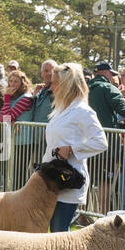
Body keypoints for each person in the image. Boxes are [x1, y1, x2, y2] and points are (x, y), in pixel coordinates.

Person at [41, 62, 106, 232]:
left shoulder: (83, 111)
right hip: (51, 178)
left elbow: (101, 142)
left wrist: (71, 149)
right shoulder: (61, 110)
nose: (51, 87)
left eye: (54, 83)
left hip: (68, 180)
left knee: (59, 232)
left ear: (66, 85)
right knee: (50, 232)